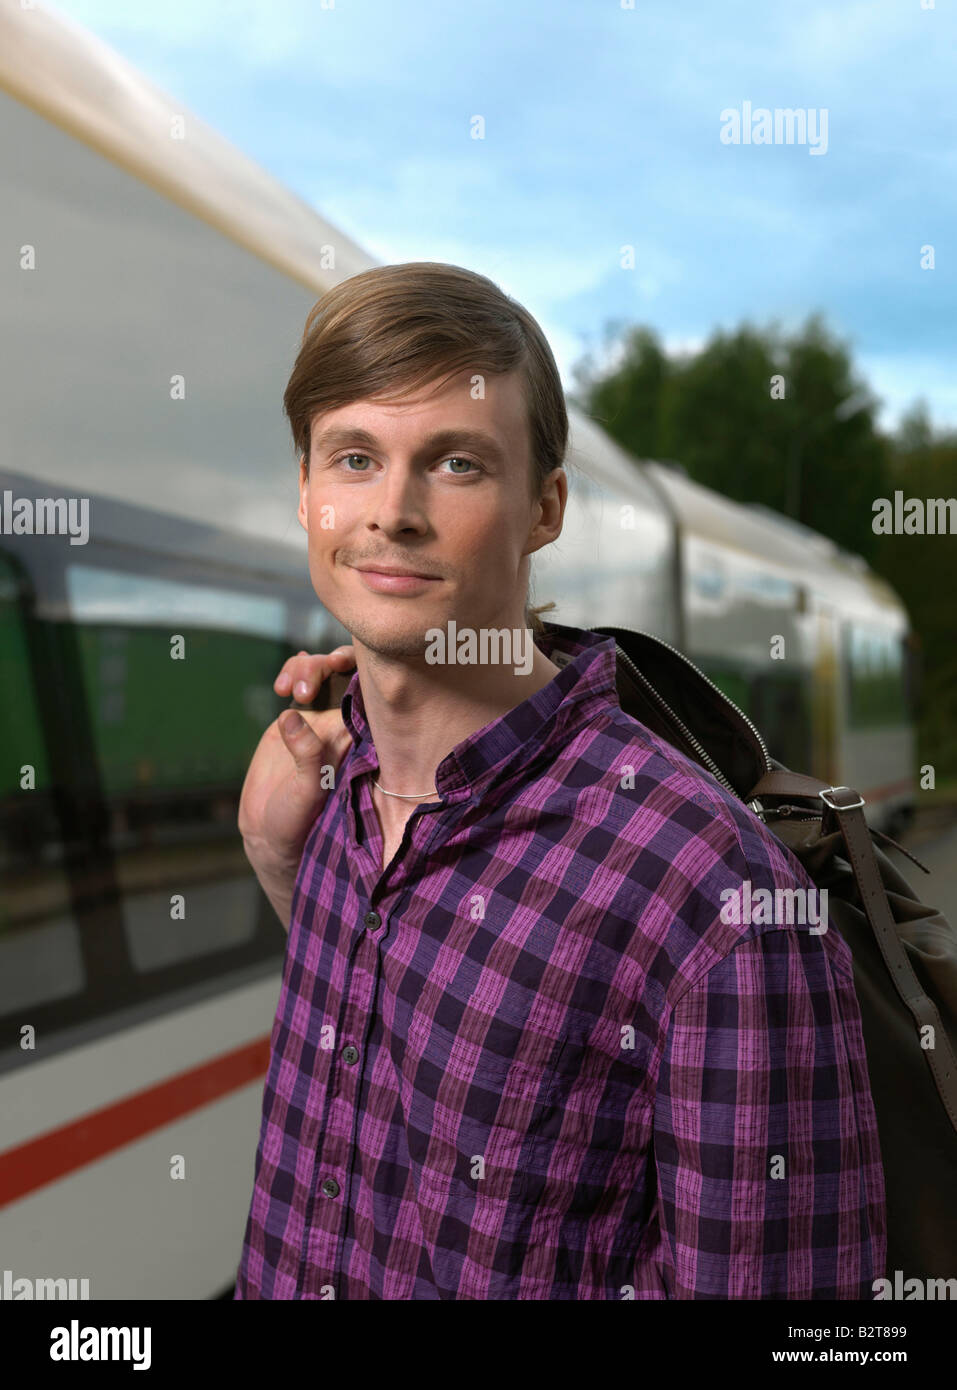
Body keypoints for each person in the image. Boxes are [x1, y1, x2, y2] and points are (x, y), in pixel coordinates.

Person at [233, 261, 886, 1299]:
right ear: (307, 494)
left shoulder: (714, 897)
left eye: (454, 464)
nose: (392, 511)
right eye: (354, 457)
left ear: (545, 508)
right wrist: (278, 858)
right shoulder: (331, 796)